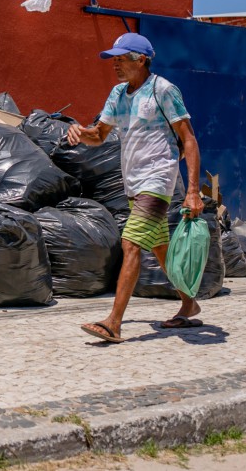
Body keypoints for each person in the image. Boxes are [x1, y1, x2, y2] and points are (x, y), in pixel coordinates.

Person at [67, 32, 204, 344]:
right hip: (134, 182)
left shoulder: (162, 90)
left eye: (121, 59)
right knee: (159, 247)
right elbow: (99, 135)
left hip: (158, 179)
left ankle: (113, 323)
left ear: (141, 60)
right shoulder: (118, 94)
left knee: (130, 244)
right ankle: (189, 303)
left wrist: (193, 190)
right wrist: (79, 132)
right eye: (113, 59)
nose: (115, 64)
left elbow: (189, 139)